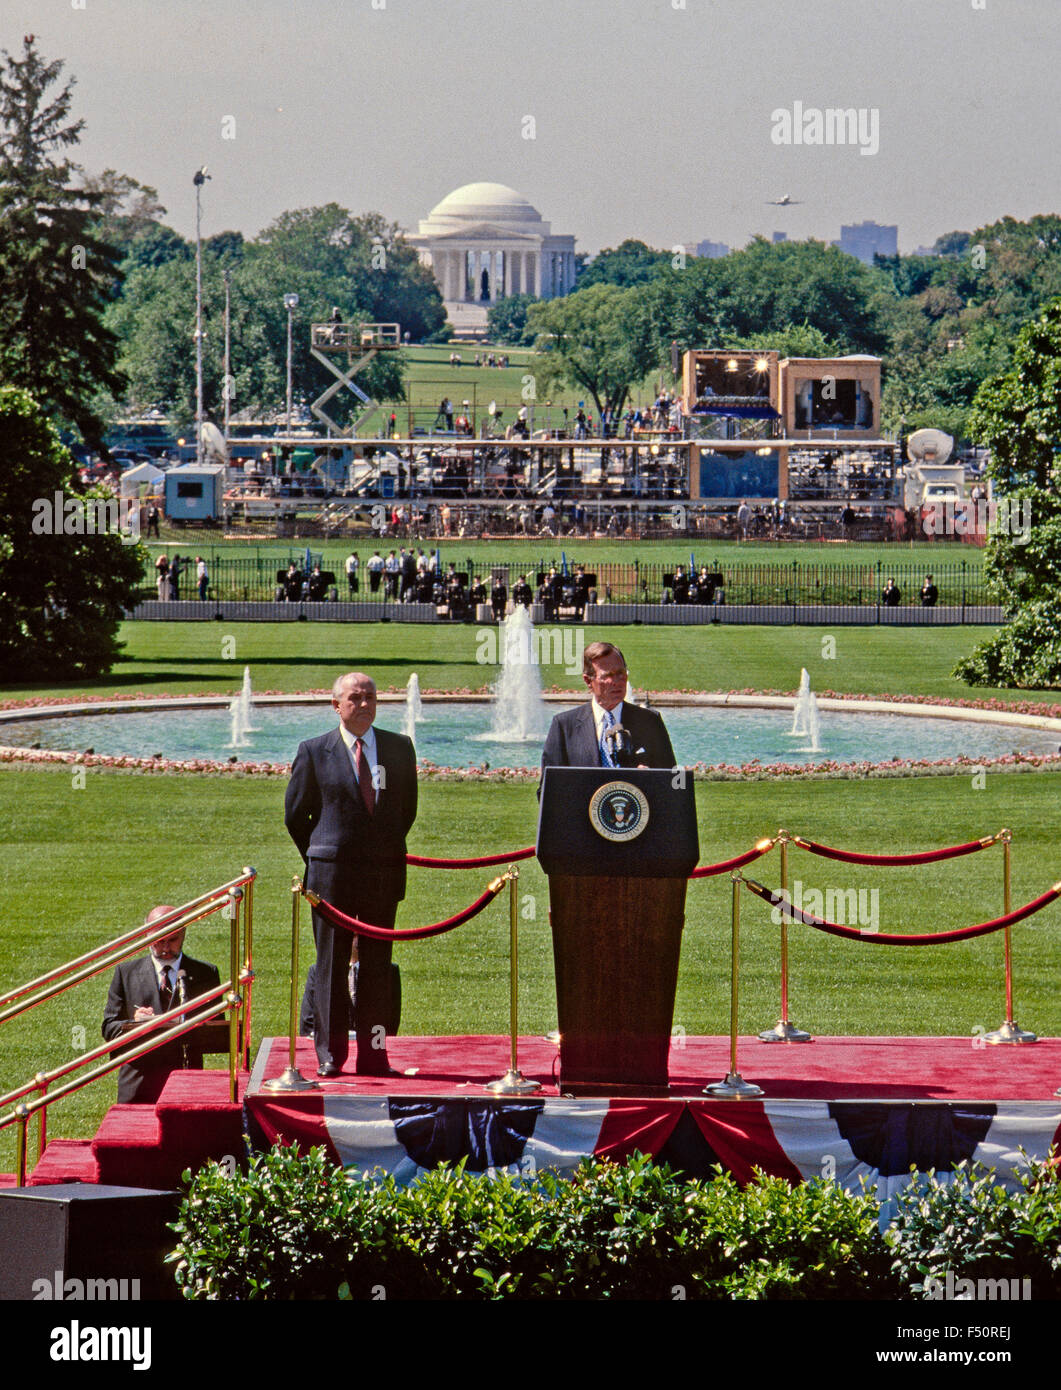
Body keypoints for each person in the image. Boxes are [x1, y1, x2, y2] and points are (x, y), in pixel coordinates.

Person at [285, 673, 418, 1077]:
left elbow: (406, 810)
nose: (364, 704)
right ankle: (331, 1056)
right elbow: (296, 815)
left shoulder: (398, 748)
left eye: (370, 697)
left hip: (382, 874)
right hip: (330, 877)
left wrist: (381, 850)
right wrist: (324, 852)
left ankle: (375, 1055)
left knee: (377, 967)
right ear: (336, 705)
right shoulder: (313, 751)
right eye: (355, 698)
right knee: (331, 965)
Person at [102, 907, 222, 1104]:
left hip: (186, 1081)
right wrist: (135, 1023)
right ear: (147, 936)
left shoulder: (205, 974)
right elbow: (109, 1028)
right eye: (159, 941)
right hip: (138, 1085)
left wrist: (188, 1022)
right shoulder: (126, 973)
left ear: (183, 933)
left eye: (173, 940)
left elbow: (217, 1031)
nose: (166, 948)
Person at [541, 641, 676, 773]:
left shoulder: (650, 721)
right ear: (588, 681)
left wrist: (648, 778)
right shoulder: (564, 726)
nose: (616, 681)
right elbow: (548, 789)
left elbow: (671, 783)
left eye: (621, 673)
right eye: (608, 675)